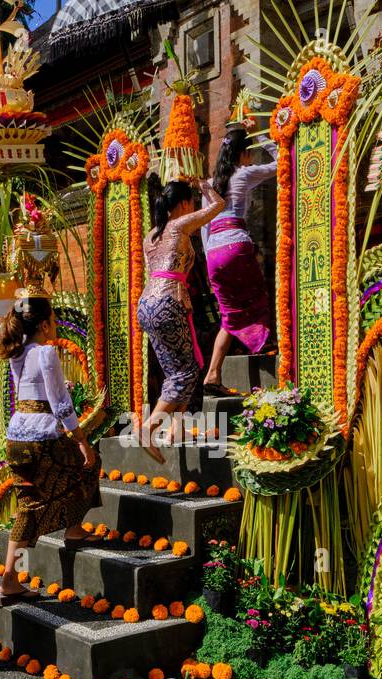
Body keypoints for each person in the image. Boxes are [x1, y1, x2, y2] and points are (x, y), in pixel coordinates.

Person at [0, 296, 101, 604]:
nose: (56, 325)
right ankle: (73, 529)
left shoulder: (17, 353)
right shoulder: (46, 351)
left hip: (16, 439)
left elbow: (34, 391)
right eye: (53, 320)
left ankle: (11, 580)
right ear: (43, 324)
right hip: (42, 438)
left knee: (28, 508)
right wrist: (82, 441)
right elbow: (60, 404)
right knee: (89, 465)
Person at [137, 177, 224, 462]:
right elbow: (218, 206)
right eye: (191, 202)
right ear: (184, 203)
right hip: (167, 302)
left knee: (180, 367)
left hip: (147, 305)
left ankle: (178, 428)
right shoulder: (179, 225)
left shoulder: (150, 235)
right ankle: (150, 427)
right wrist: (204, 186)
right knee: (184, 372)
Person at [201, 129, 278, 394]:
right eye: (250, 150)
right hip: (236, 245)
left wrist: (209, 263)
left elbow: (204, 228)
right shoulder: (244, 174)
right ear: (243, 153)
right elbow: (282, 164)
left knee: (229, 316)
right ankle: (264, 345)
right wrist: (263, 134)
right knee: (258, 296)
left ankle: (212, 374)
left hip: (213, 254)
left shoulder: (210, 185)